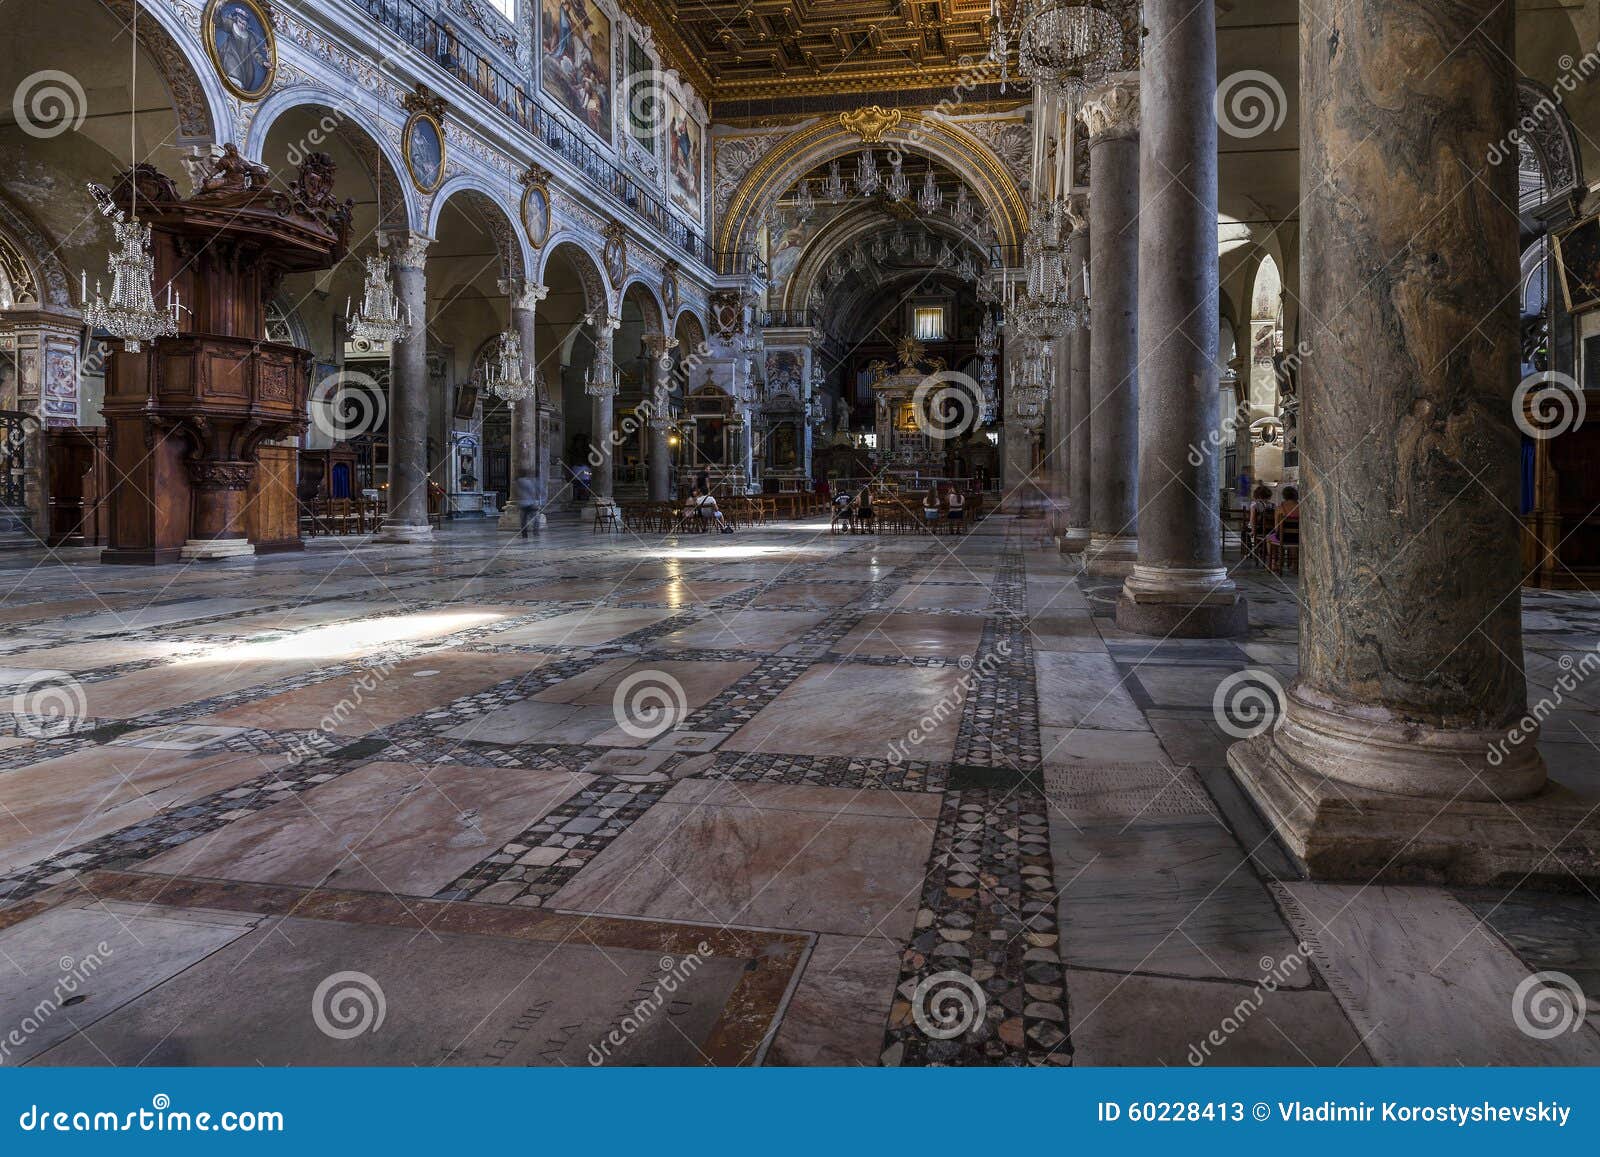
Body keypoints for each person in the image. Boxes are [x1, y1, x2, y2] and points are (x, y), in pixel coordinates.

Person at [515, 473, 539, 539]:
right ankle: (535, 531)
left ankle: (524, 534)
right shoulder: (528, 482)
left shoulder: (518, 483)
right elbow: (532, 492)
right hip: (529, 503)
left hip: (523, 503)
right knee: (534, 518)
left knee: (523, 521)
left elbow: (518, 494)